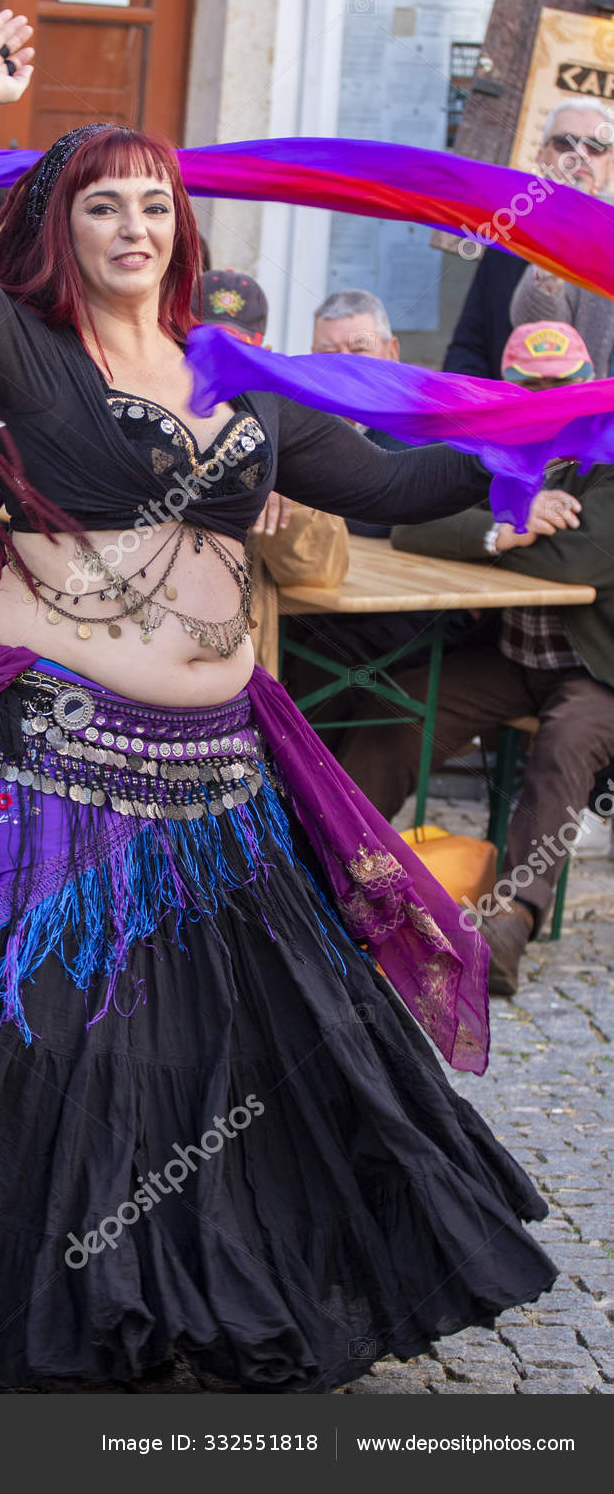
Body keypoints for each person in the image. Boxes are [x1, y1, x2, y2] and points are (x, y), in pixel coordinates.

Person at [0, 10, 557, 1395]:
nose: (132, 225)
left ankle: (171, 1289)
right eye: (102, 203)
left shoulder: (241, 382)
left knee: (227, 1042)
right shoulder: (25, 360)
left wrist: (530, 432)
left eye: (154, 202)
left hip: (214, 766)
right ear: (62, 227)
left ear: (181, 229)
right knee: (17, 1034)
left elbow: (389, 481)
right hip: (48, 750)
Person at [338, 322, 608, 999]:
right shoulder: (488, 444)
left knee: (567, 743)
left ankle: (511, 920)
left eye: (561, 386)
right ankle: (330, 870)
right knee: (398, 707)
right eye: (530, 387)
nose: (546, 398)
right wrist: (507, 523)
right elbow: (412, 525)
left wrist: (488, 528)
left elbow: (578, 560)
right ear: (505, 389)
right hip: (513, 658)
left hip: (596, 668)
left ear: (588, 386)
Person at [281, 290, 496, 737]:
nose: (344, 364)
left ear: (392, 351)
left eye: (358, 349)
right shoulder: (305, 422)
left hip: (425, 609)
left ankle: (305, 776)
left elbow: (408, 511)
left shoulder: (430, 422)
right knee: (279, 638)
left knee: (324, 660)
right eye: (328, 353)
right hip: (336, 594)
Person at [193, 270, 349, 675]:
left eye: (238, 352)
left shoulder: (284, 428)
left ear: (264, 355)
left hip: (237, 677)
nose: (219, 365)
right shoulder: (140, 418)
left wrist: (276, 473)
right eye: (205, 347)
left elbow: (318, 572)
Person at [444, 99, 614, 379]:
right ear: (540, 157)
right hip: (519, 405)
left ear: (610, 164)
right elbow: (469, 348)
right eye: (565, 143)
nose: (580, 154)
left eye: (595, 147)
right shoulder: (509, 241)